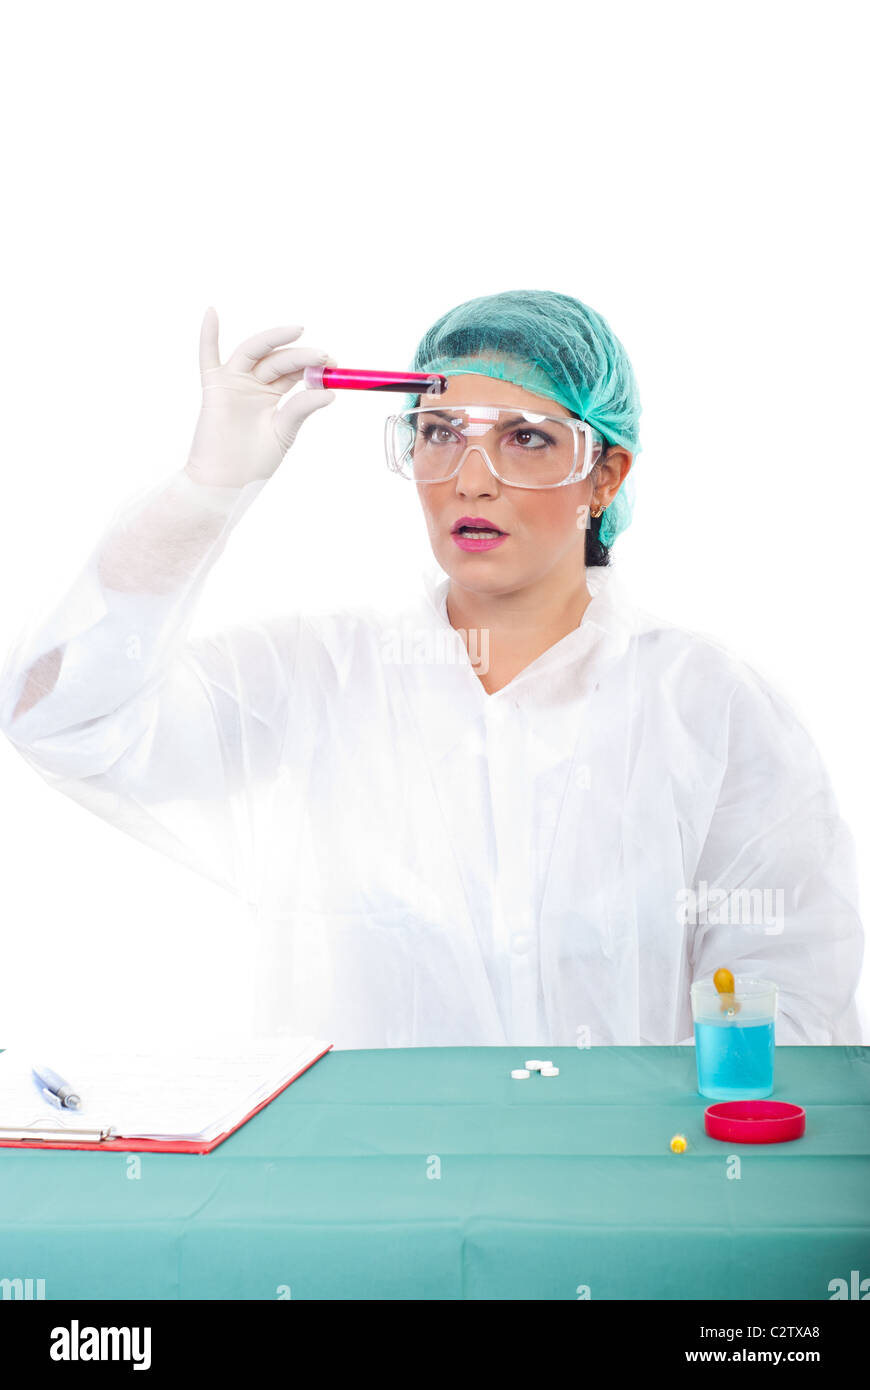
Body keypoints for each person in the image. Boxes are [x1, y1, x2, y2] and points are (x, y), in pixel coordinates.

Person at [0, 290, 863, 1048]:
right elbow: (62, 720)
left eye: (527, 439)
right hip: (375, 1203)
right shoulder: (315, 676)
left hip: (626, 1203)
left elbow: (790, 998)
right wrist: (202, 493)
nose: (470, 480)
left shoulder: (708, 706)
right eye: (439, 433)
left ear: (604, 476)